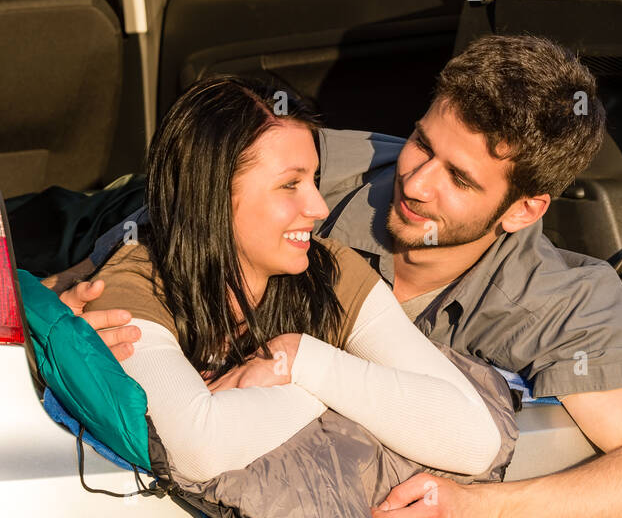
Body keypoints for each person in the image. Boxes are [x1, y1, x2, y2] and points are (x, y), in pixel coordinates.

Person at [58, 33, 622, 518]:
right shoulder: (326, 172)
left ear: (524, 209)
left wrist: (482, 515)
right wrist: (62, 296)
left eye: (458, 177)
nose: (417, 180)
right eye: (422, 143)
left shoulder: (561, 301)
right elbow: (162, 227)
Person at [60, 73, 502, 486]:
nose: (318, 208)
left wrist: (298, 361)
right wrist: (350, 397)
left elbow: (474, 440)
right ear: (210, 194)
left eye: (314, 180)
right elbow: (197, 450)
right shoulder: (134, 285)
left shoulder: (331, 271)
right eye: (290, 185)